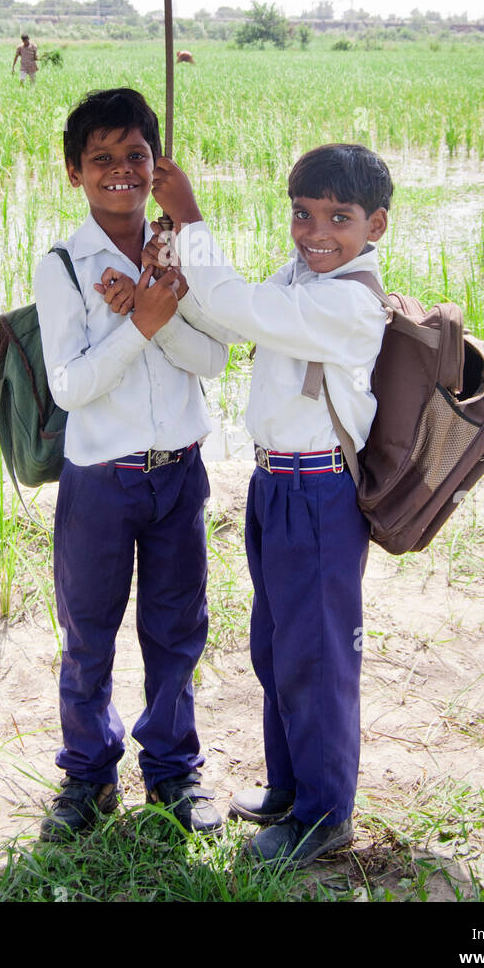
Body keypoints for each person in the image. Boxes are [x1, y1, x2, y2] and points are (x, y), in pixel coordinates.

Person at [149, 143, 391, 867]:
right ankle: (289, 788)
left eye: (338, 218)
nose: (316, 231)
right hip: (275, 487)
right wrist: (176, 267)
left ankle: (324, 818)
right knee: (277, 647)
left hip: (320, 493)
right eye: (303, 214)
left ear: (375, 226)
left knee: (315, 658)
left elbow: (241, 307)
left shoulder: (349, 301)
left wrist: (191, 217)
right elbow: (229, 319)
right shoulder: (304, 278)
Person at [33, 87, 233, 841]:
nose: (121, 171)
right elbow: (73, 385)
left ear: (158, 167)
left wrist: (158, 308)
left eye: (136, 157)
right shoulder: (62, 264)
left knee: (177, 630)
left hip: (178, 472)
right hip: (101, 481)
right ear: (75, 174)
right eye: (102, 160)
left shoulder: (176, 249)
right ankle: (87, 776)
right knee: (88, 632)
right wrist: (139, 324)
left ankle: (174, 772)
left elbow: (213, 359)